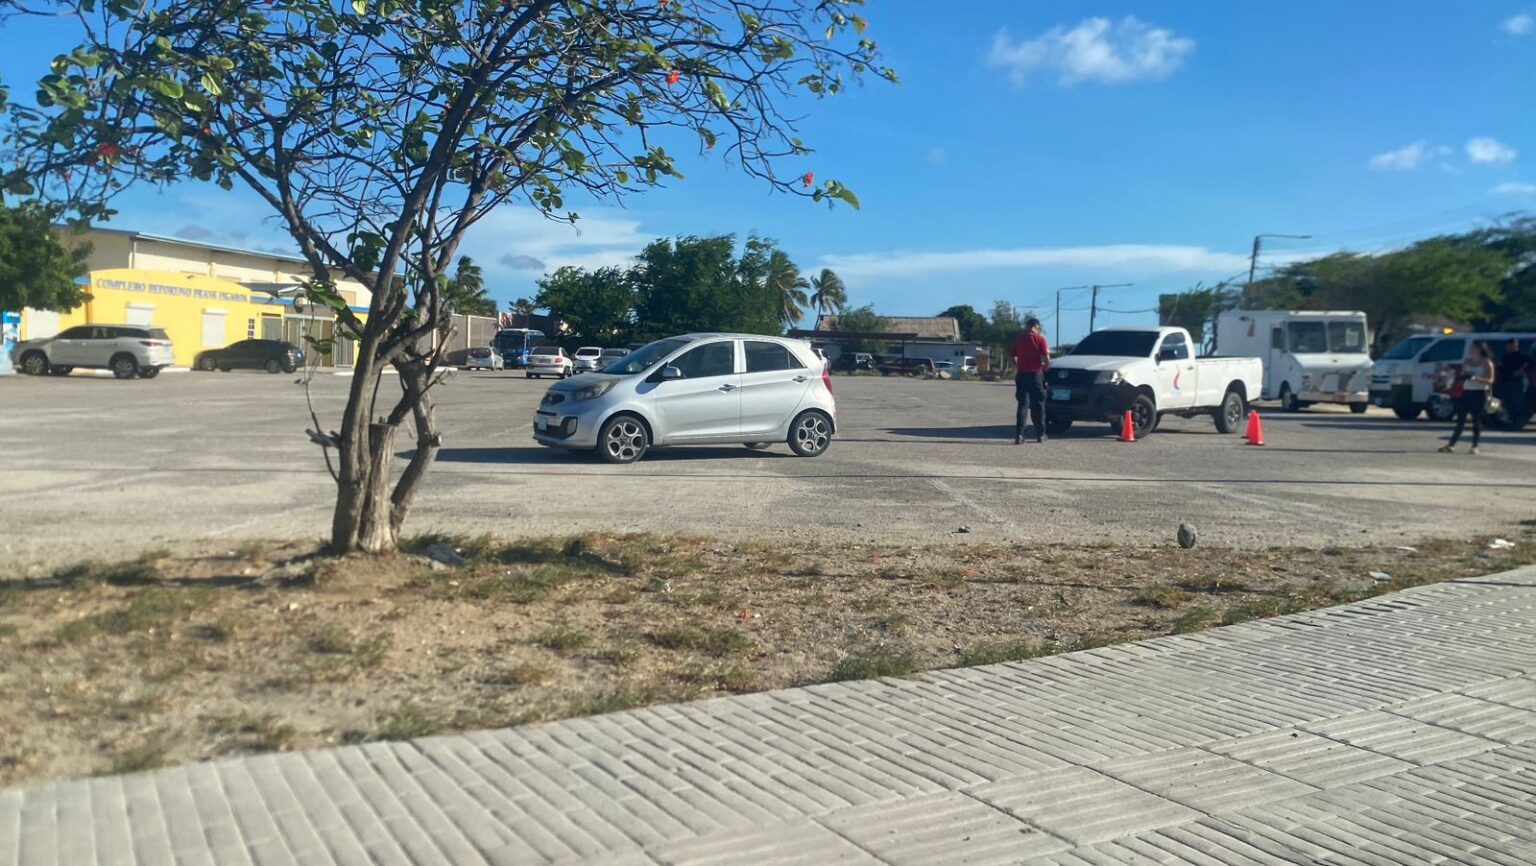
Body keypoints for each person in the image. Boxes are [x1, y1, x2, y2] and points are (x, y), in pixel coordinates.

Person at [1440, 342, 1495, 455]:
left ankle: (1474, 446)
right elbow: (1462, 375)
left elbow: (1490, 380)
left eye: (1473, 348)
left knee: (1476, 420)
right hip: (1467, 392)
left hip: (1480, 393)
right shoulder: (1468, 361)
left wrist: (1475, 378)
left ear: (1480, 349)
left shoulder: (1486, 362)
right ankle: (1451, 445)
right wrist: (1462, 377)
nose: (1471, 350)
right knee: (1460, 420)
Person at [1011, 316, 1051, 444]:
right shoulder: (1040, 339)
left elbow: (1011, 356)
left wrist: (1017, 366)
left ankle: (1020, 435)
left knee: (1023, 405)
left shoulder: (1019, 340)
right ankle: (1041, 434)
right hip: (1036, 375)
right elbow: (1046, 358)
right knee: (1039, 405)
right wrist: (1045, 368)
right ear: (1036, 326)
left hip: (1022, 375)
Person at [1497, 339, 1529, 423]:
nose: (1510, 348)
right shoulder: (1505, 355)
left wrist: (1521, 371)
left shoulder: (1521, 355)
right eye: (1508, 346)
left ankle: (1519, 419)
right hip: (1506, 381)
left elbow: (1529, 364)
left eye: (1512, 346)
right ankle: (1511, 418)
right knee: (1507, 401)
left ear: (1516, 346)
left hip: (1516, 382)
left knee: (1517, 401)